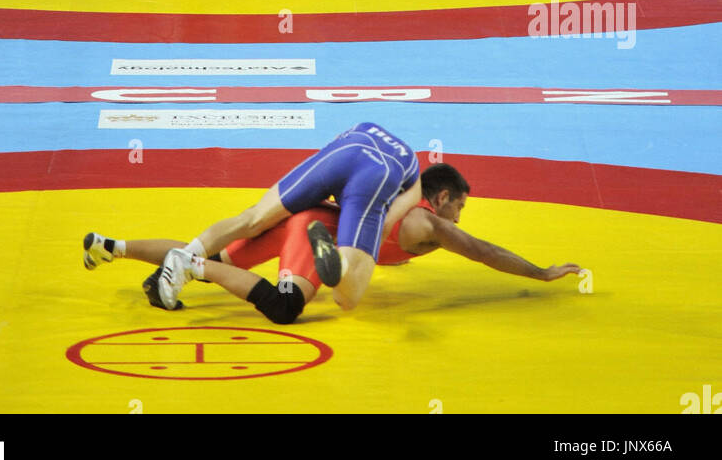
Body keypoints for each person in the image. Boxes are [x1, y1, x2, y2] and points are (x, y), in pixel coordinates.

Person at [83, 163, 581, 325]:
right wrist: (539, 272)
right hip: (313, 230)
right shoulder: (430, 225)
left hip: (305, 215)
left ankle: (113, 245)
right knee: (282, 306)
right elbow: (483, 251)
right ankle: (192, 270)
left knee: (210, 250)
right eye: (460, 207)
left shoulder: (392, 194)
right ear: (442, 197)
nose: (459, 218)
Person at [156, 122, 423, 312]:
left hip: (345, 148)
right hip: (374, 175)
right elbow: (385, 224)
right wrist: (363, 251)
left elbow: (322, 168)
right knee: (347, 299)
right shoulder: (412, 181)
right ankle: (339, 264)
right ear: (440, 196)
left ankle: (182, 257)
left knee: (252, 219)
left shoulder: (376, 135)